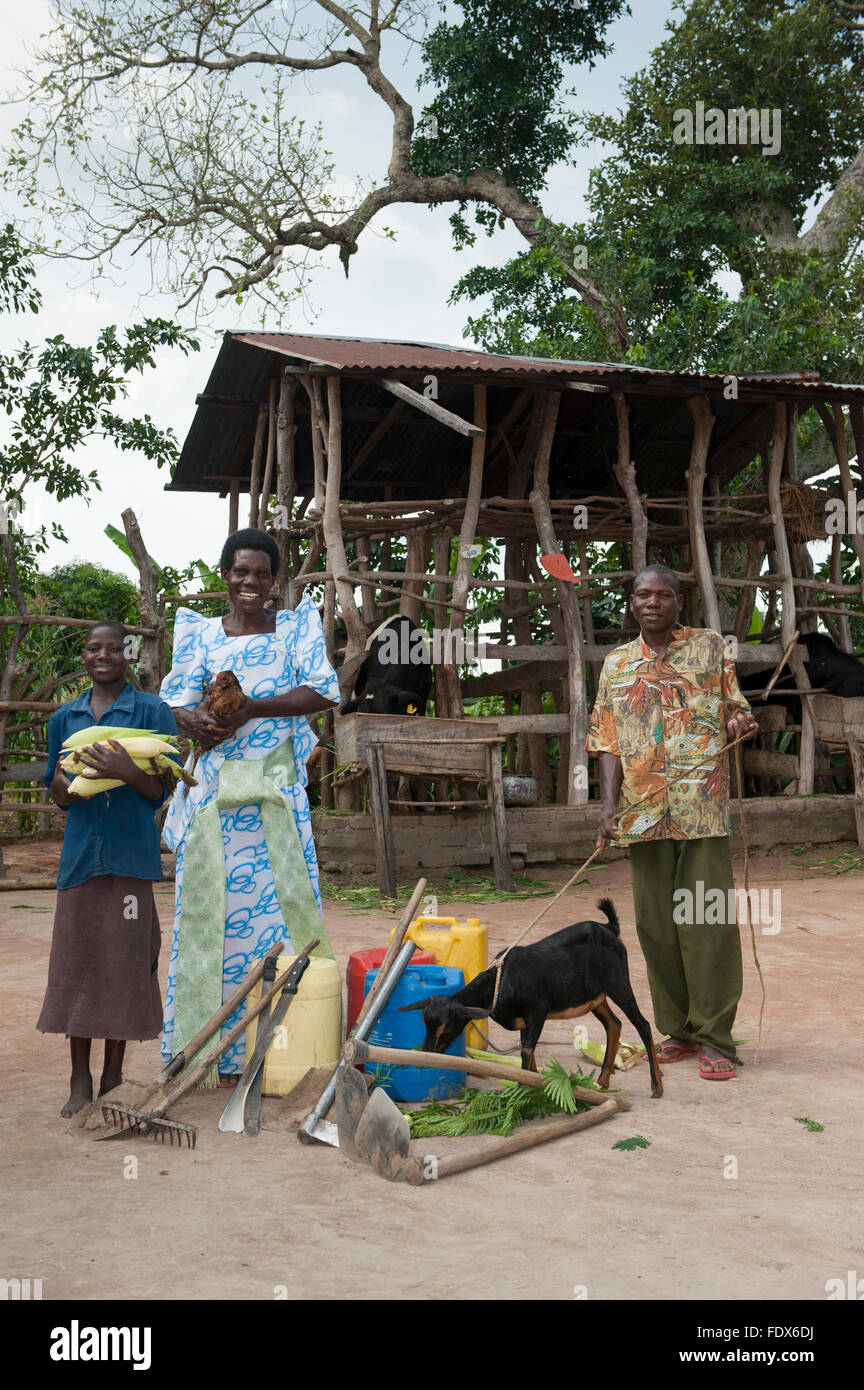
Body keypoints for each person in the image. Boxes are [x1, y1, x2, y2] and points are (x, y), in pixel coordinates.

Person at [159, 528, 339, 1082]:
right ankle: (208, 1052)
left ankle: (281, 1049)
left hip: (275, 800)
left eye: (261, 573)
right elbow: (172, 703)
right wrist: (187, 719)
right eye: (240, 571)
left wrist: (251, 708)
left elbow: (325, 690)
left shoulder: (294, 630)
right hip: (214, 802)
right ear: (224, 575)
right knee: (211, 919)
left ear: (274, 580)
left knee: (283, 919)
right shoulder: (199, 634)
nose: (250, 582)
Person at [587, 565, 759, 1081]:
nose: (653, 602)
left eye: (663, 595)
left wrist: (739, 722)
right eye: (643, 594)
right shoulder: (616, 663)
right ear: (632, 603)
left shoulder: (710, 648)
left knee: (705, 922)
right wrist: (607, 805)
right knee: (658, 927)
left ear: (678, 602)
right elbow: (608, 740)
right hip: (642, 812)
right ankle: (679, 1030)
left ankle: (715, 1038)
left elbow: (738, 710)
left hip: (701, 806)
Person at [37, 621, 178, 1116]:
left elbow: (162, 791)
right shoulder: (65, 717)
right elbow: (57, 791)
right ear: (84, 655)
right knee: (77, 966)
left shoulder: (153, 712)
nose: (104, 655)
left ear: (128, 653)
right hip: (79, 863)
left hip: (130, 862)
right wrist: (58, 788)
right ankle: (80, 1076)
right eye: (94, 648)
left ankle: (114, 1074)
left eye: (113, 648)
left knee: (124, 967)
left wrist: (125, 771)